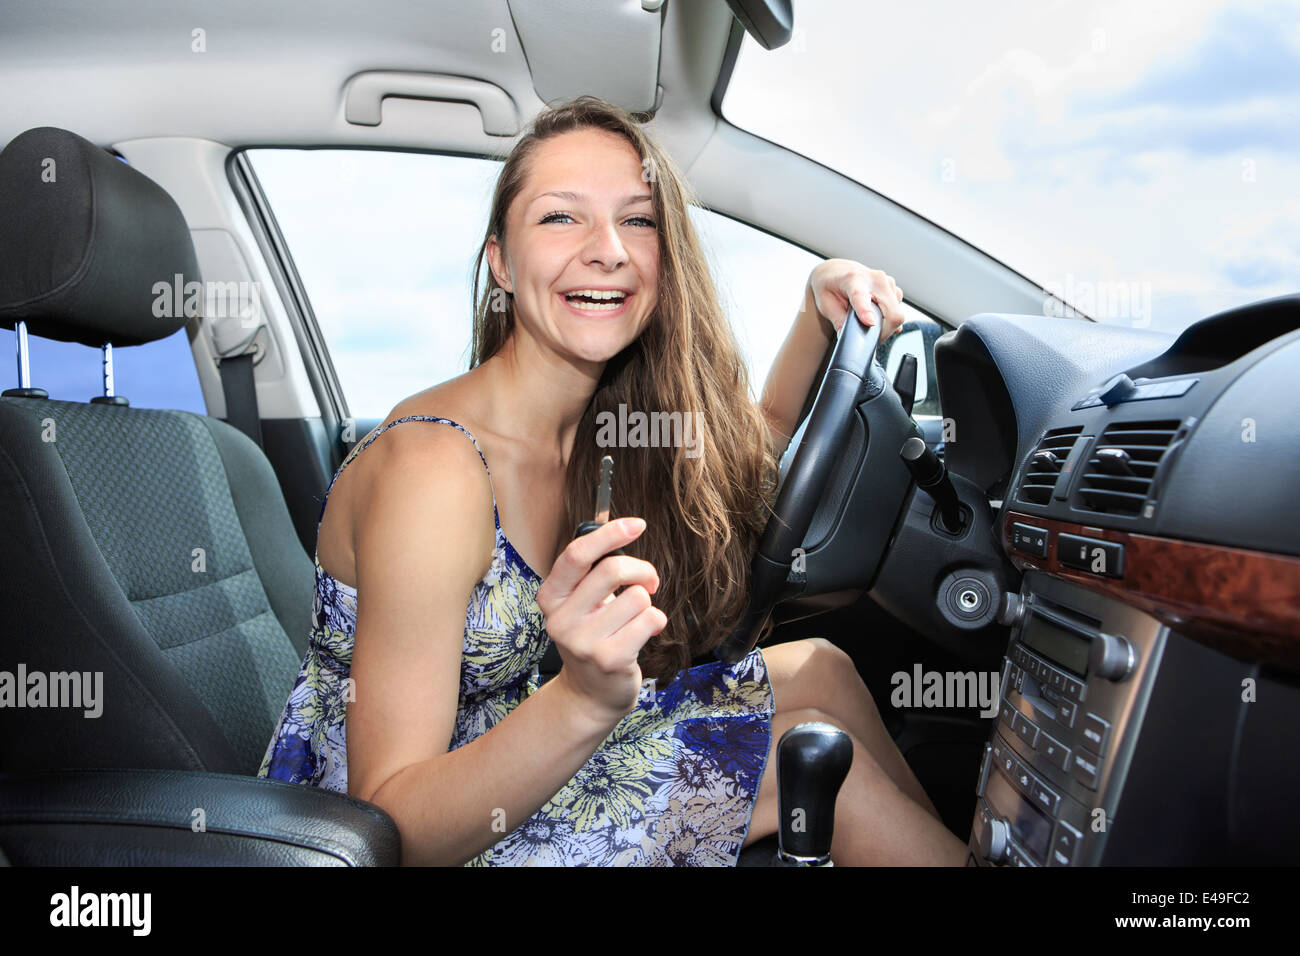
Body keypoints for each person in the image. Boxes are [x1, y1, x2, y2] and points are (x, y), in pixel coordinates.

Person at [258, 94, 968, 867]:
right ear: (500, 259)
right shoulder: (432, 471)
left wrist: (815, 310)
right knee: (829, 772)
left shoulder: (597, 427)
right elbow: (389, 826)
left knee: (822, 671)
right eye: (561, 218)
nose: (609, 250)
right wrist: (583, 698)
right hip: (429, 826)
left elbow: (752, 442)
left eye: (637, 220)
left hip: (514, 752)